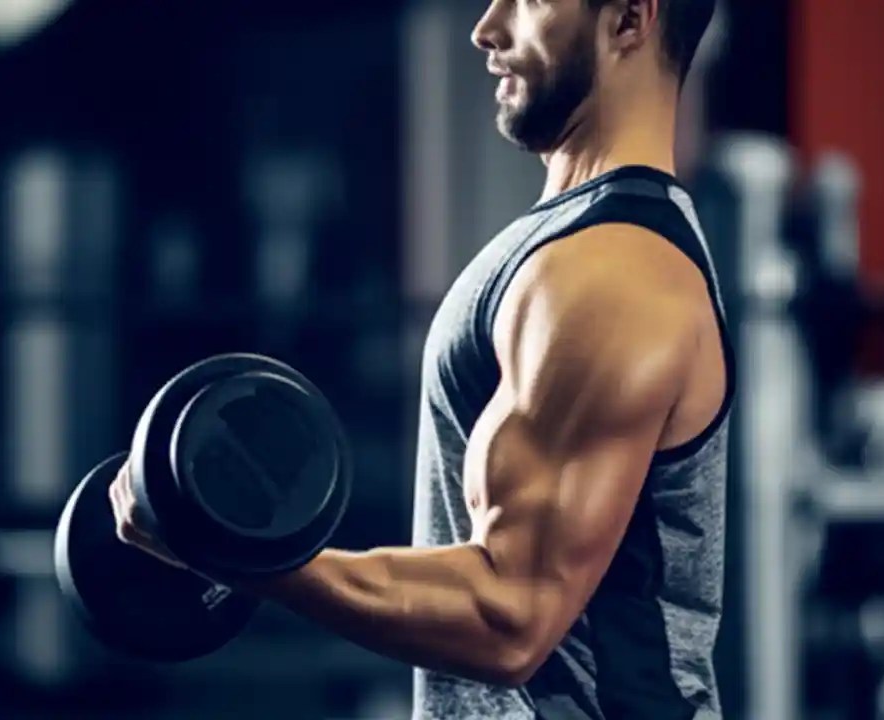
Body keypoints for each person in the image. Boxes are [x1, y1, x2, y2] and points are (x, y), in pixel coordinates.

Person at [110, 0, 730, 717]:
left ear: (627, 19)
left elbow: (511, 616)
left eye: (527, 1)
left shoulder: (615, 276)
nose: (488, 28)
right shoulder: (570, 249)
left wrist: (238, 558)